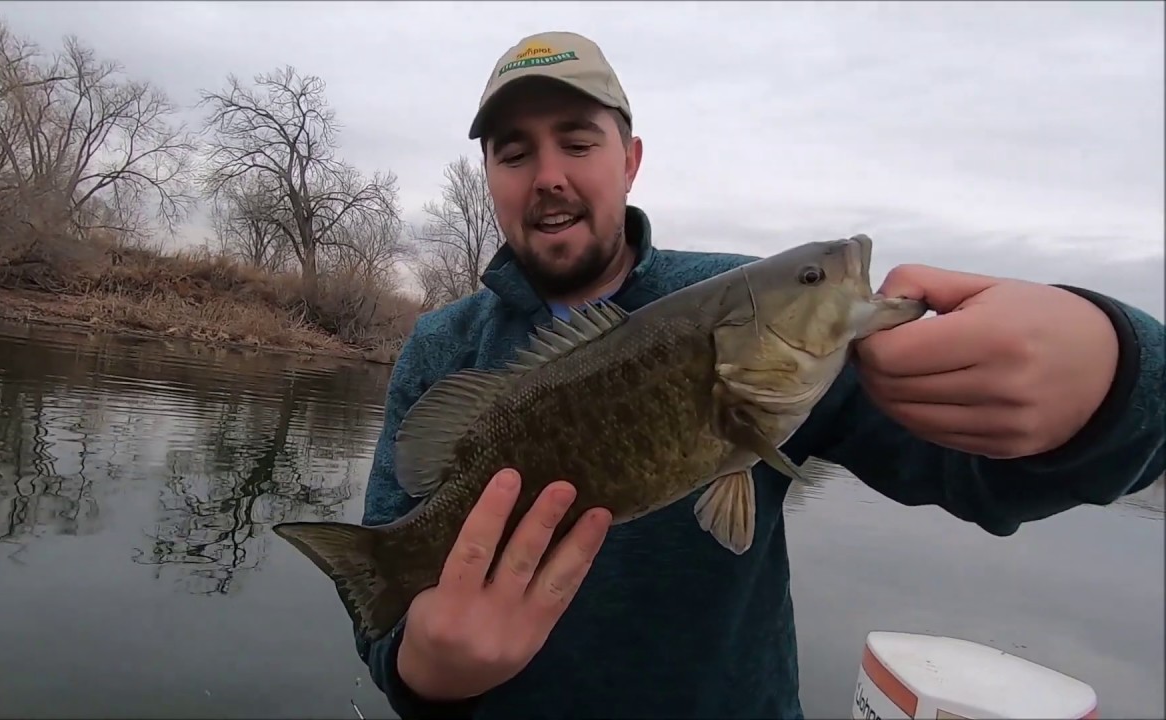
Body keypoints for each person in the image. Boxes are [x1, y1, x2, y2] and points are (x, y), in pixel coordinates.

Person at [352, 30, 1165, 720]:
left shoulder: (756, 318)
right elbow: (385, 613)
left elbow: (990, 483)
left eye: (578, 139)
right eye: (514, 152)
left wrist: (1116, 375)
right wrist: (425, 673)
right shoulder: (441, 347)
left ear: (630, 160)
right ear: (488, 178)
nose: (550, 174)